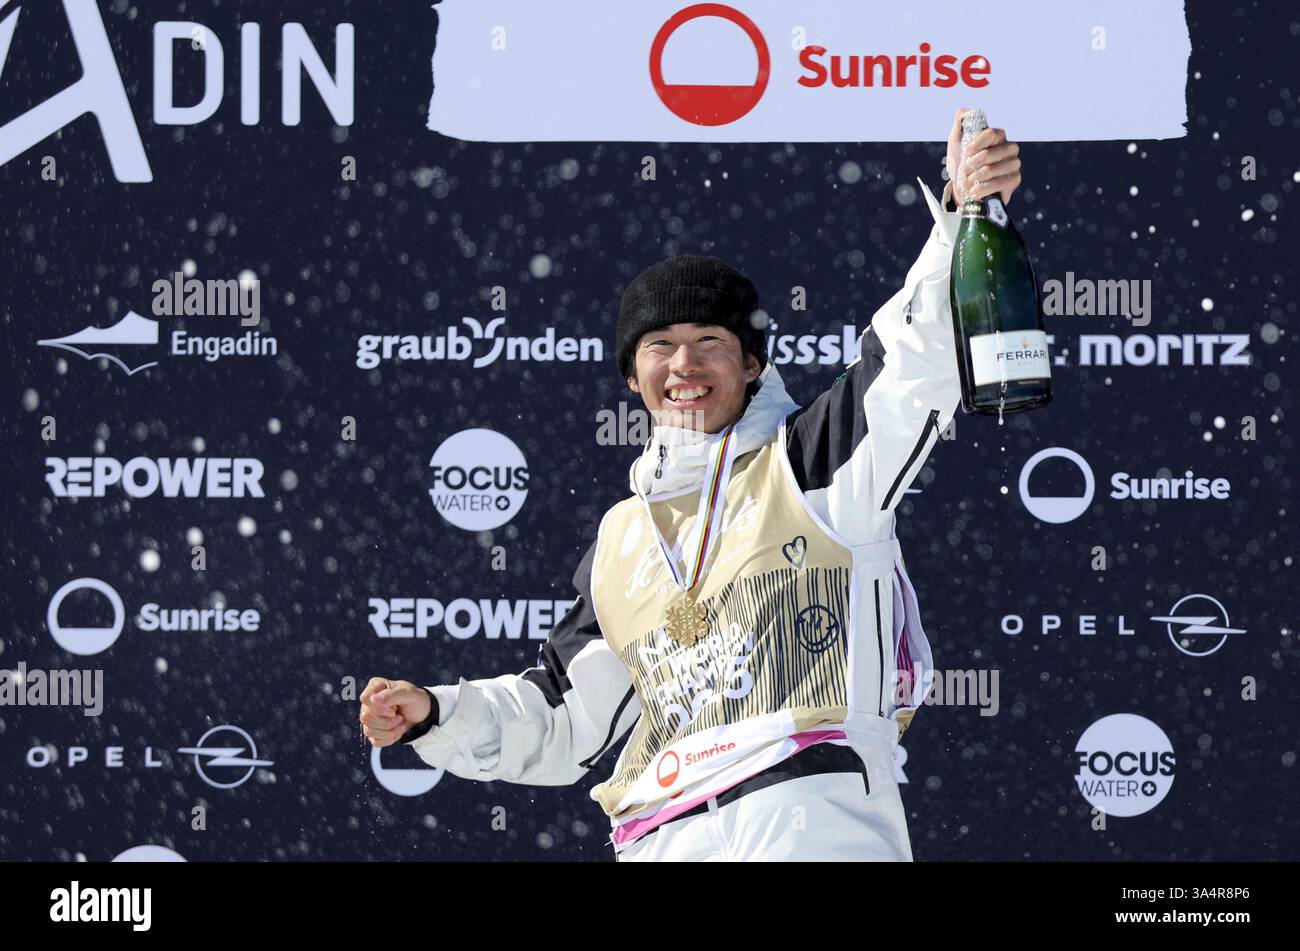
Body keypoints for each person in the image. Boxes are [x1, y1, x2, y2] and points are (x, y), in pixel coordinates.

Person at [360, 109, 1023, 861]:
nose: (684, 365)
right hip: (661, 834)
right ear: (634, 377)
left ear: (751, 364)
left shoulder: (811, 463)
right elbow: (564, 718)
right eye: (659, 346)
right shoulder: (623, 540)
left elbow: (908, 361)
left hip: (803, 805)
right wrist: (435, 713)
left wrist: (963, 220)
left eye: (710, 341)